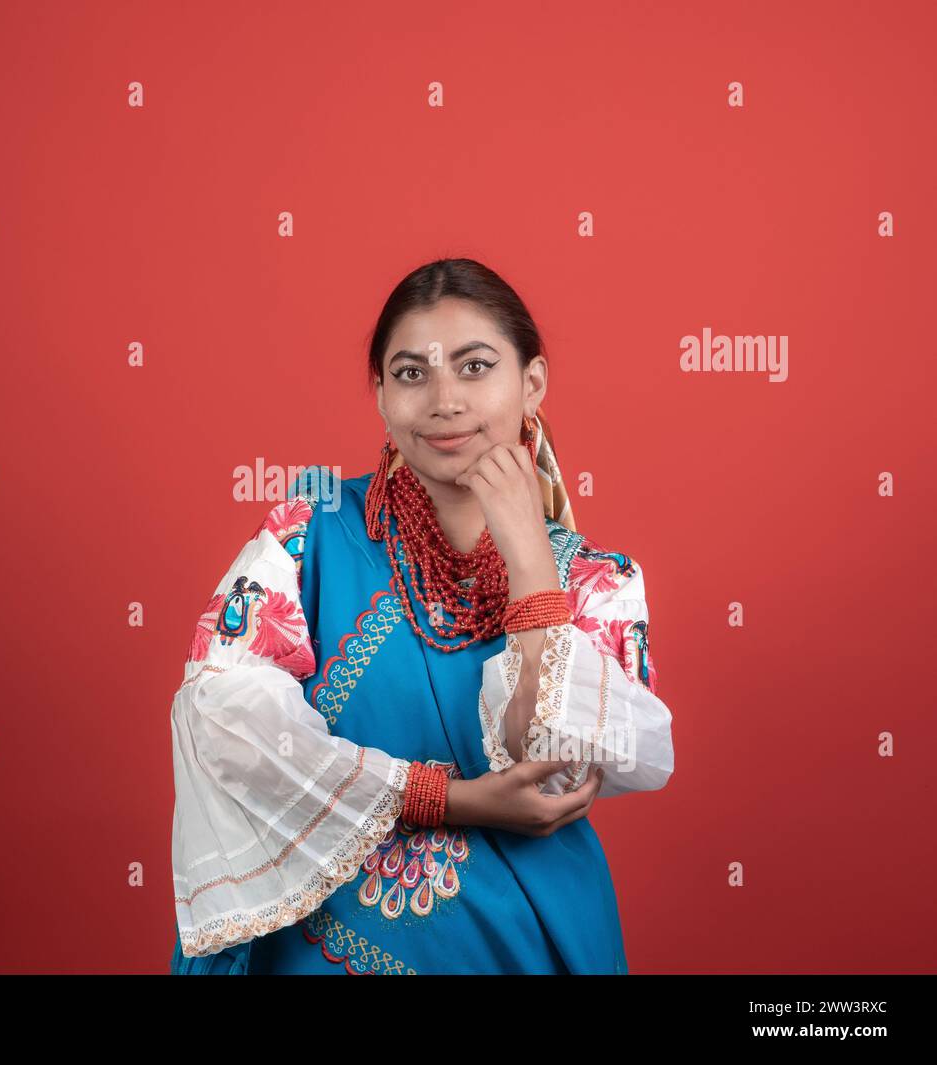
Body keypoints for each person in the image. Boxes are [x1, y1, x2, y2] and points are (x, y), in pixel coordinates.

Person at [168, 258, 675, 975]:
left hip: (526, 942)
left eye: (475, 367)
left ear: (532, 383)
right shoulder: (305, 537)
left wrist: (529, 556)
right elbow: (222, 721)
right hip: (319, 947)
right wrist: (446, 796)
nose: (444, 400)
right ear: (379, 393)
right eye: (411, 373)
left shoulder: (599, 582)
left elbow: (553, 770)